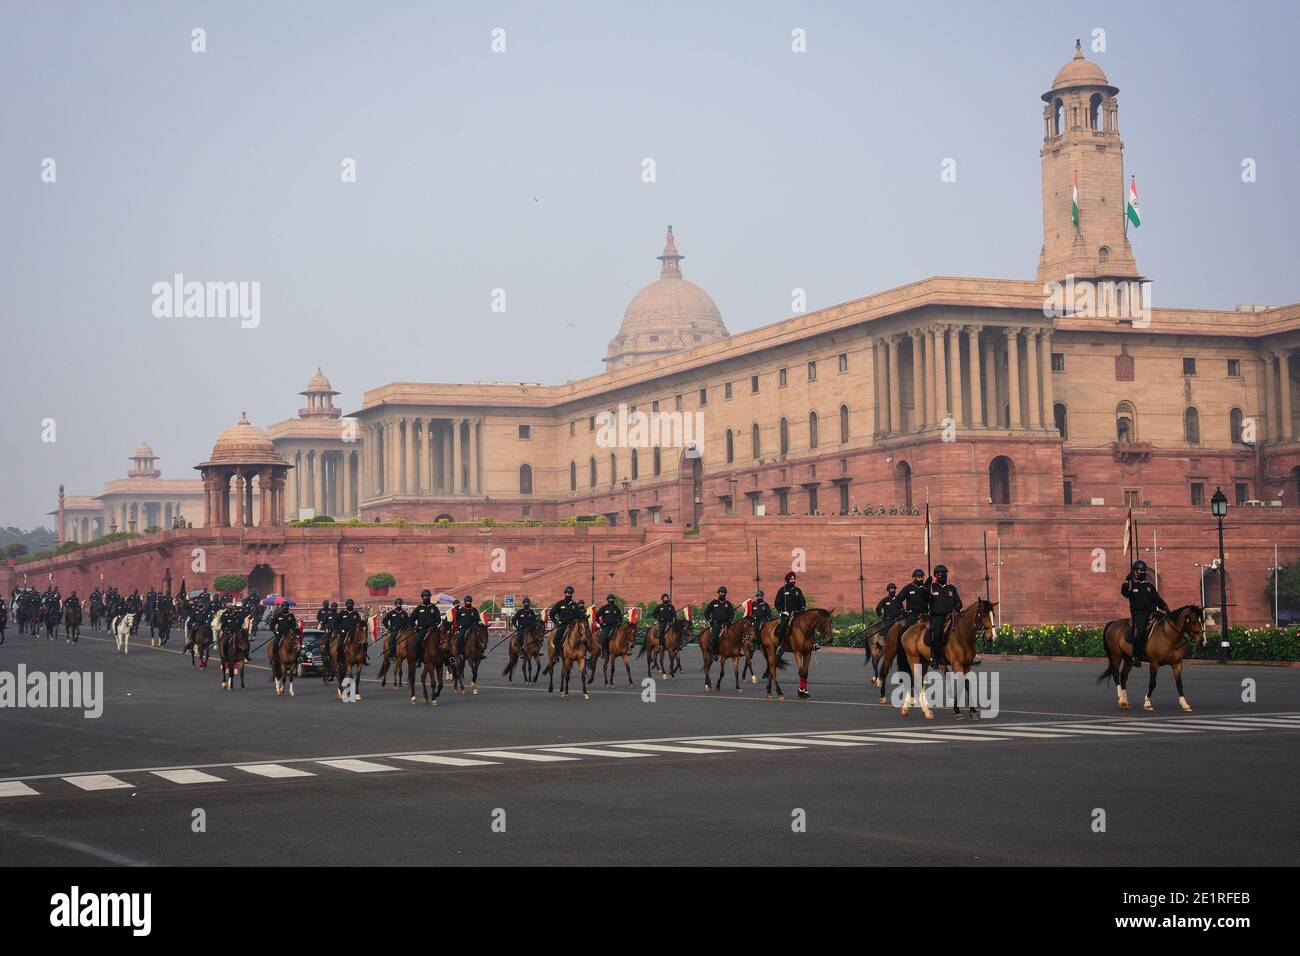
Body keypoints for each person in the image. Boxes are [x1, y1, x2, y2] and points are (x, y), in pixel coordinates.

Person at [1121, 559, 1168, 665]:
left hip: (1152, 612)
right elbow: (1124, 593)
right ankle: (1136, 656)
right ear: (1135, 571)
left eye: (1144, 570)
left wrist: (1165, 607)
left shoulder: (1149, 586)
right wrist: (1127, 581)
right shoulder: (1131, 585)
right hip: (1139, 613)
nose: (1142, 572)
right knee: (1141, 631)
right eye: (1140, 570)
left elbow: (1157, 599)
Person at [924, 565, 962, 665]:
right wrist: (925, 588)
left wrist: (956, 608)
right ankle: (935, 658)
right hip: (938, 617)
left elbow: (959, 602)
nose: (943, 575)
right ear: (936, 575)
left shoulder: (951, 588)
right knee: (937, 635)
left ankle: (970, 656)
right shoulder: (932, 587)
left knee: (964, 631)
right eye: (940, 574)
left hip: (951, 616)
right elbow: (924, 600)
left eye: (945, 573)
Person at [774, 572, 806, 653]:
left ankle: (812, 644)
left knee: (808, 624)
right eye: (791, 579)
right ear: (787, 580)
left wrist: (801, 610)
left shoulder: (798, 591)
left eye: (794, 579)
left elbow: (803, 602)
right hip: (786, 614)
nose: (793, 580)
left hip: (797, 614)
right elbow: (777, 603)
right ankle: (780, 646)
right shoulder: (782, 590)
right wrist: (782, 611)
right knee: (782, 627)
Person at [410, 590, 443, 661]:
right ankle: (418, 658)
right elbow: (411, 619)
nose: (426, 598)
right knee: (417, 641)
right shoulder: (419, 608)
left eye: (427, 596)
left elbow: (438, 619)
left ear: (429, 597)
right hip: (422, 629)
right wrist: (415, 627)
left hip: (432, 629)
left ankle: (446, 659)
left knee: (444, 640)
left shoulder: (434, 607)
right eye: (424, 596)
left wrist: (435, 624)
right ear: (422, 597)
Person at [549, 586, 578, 656]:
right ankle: (557, 653)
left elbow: (579, 614)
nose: (569, 594)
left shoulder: (574, 604)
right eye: (567, 593)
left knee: (584, 637)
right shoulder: (560, 603)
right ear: (565, 593)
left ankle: (583, 653)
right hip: (563, 625)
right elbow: (552, 613)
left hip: (573, 625)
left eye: (570, 593)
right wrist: (556, 622)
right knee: (556, 639)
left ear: (572, 594)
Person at [704, 587, 734, 654]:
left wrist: (731, 620)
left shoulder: (728, 603)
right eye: (721, 592)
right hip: (716, 624)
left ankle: (736, 650)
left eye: (724, 593)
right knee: (714, 638)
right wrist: (709, 620)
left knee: (735, 635)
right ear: (718, 593)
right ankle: (715, 653)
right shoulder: (713, 602)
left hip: (726, 624)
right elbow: (706, 613)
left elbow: (732, 613)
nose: (723, 594)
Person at [381, 597, 410, 662]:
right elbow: (384, 621)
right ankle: (392, 655)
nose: (398, 605)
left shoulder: (404, 613)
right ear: (395, 604)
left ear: (401, 604)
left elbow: (408, 622)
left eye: (400, 604)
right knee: (391, 640)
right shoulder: (391, 612)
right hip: (394, 630)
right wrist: (389, 628)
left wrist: (405, 628)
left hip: (402, 630)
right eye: (397, 604)